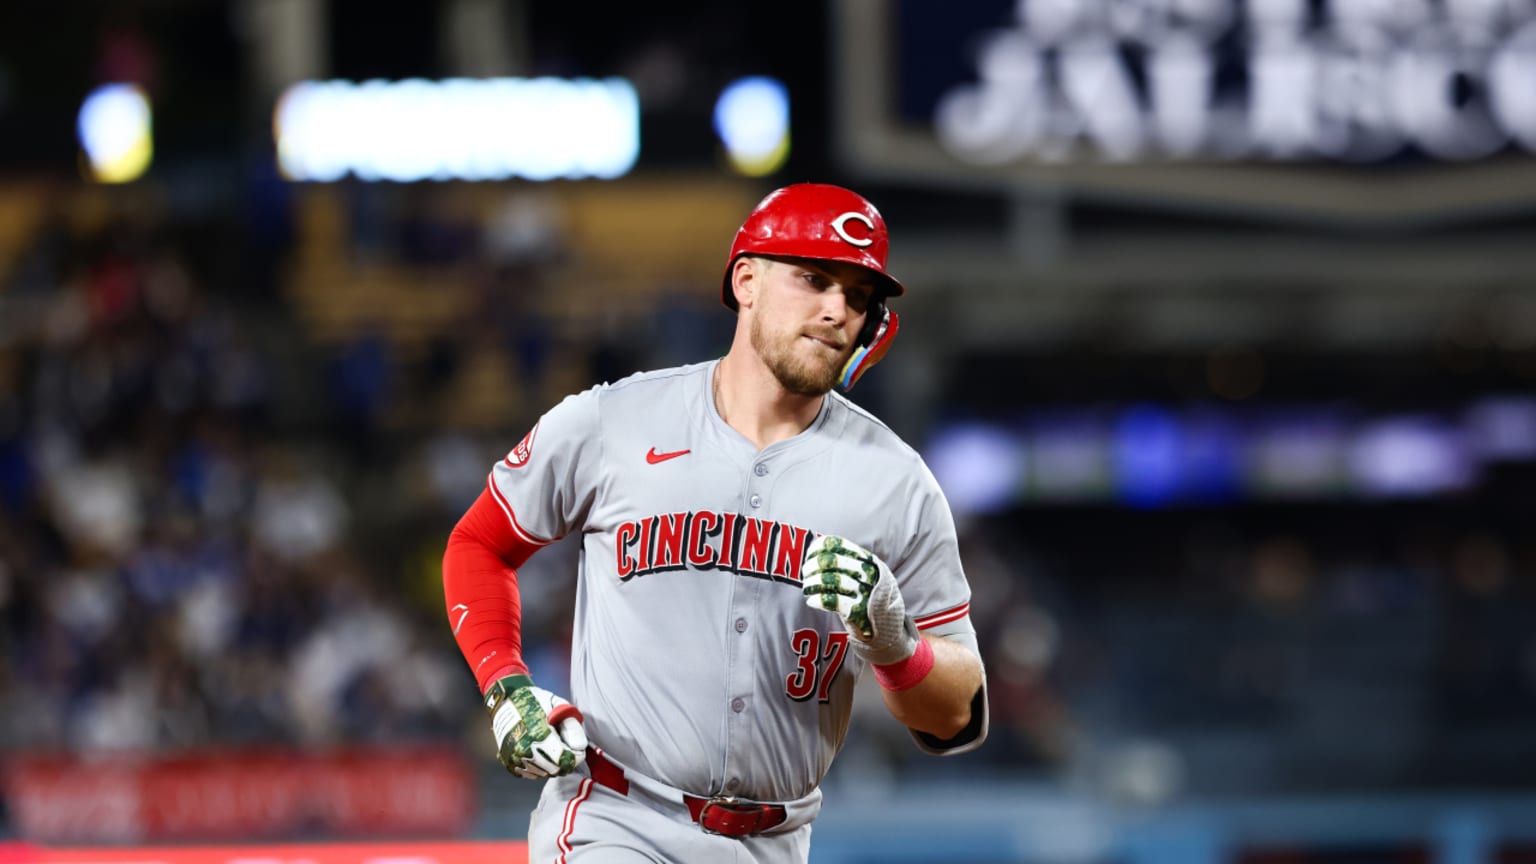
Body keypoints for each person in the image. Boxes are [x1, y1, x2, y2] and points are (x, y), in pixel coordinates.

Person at [442, 183, 988, 863]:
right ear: (746, 280)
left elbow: (957, 716)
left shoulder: (897, 482)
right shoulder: (614, 421)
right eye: (814, 279)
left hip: (775, 840)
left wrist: (895, 643)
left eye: (858, 296)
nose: (836, 309)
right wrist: (506, 687)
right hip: (617, 818)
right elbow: (480, 542)